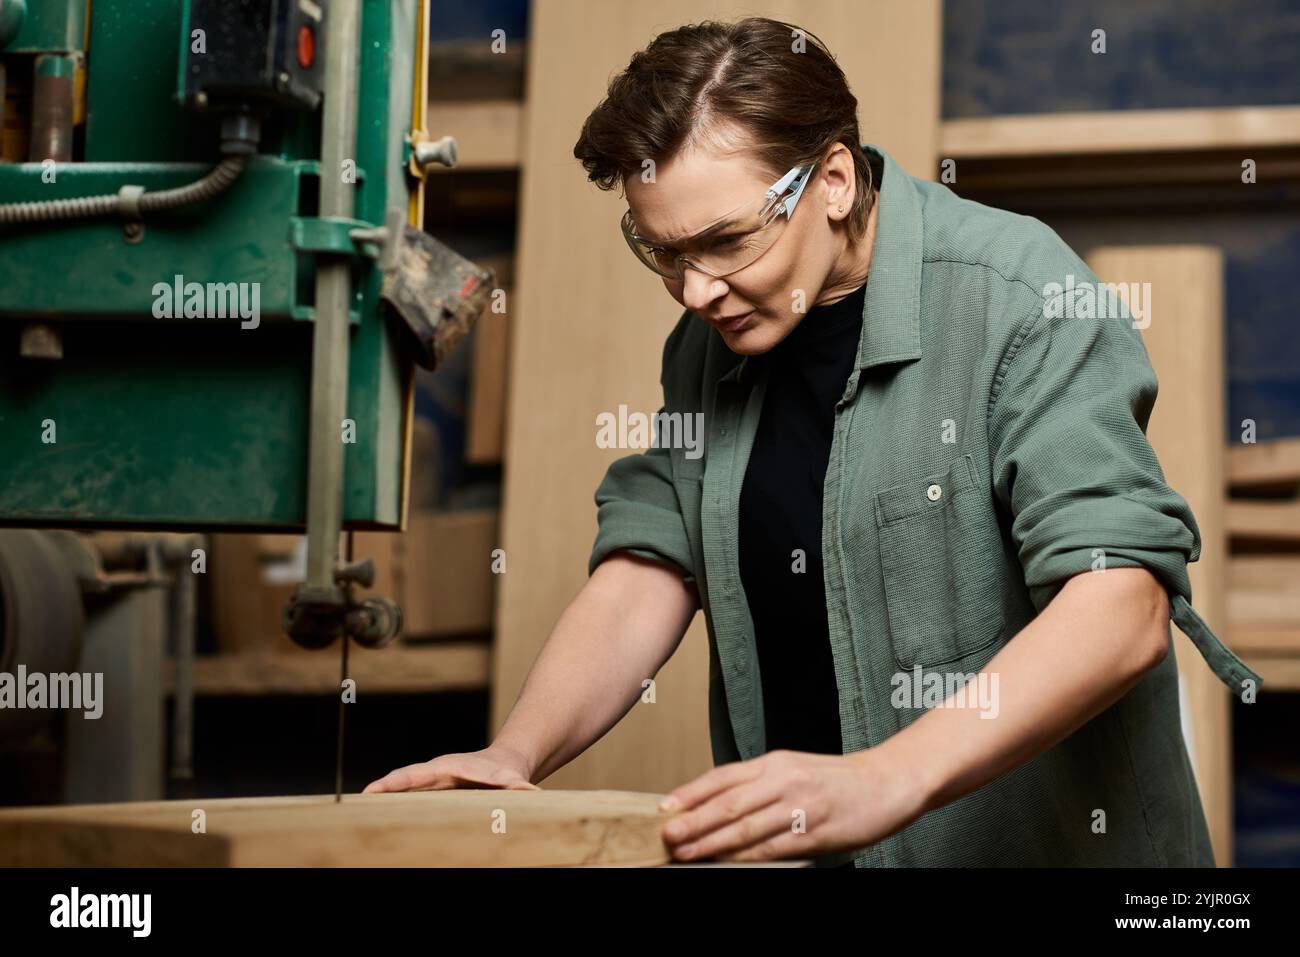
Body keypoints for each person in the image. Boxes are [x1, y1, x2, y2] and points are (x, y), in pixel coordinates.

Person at [364, 17, 1259, 868]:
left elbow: (1121, 605)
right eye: (662, 252)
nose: (694, 291)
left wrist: (886, 776)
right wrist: (514, 753)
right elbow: (651, 560)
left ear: (832, 181)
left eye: (723, 242)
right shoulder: (710, 342)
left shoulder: (1020, 300)